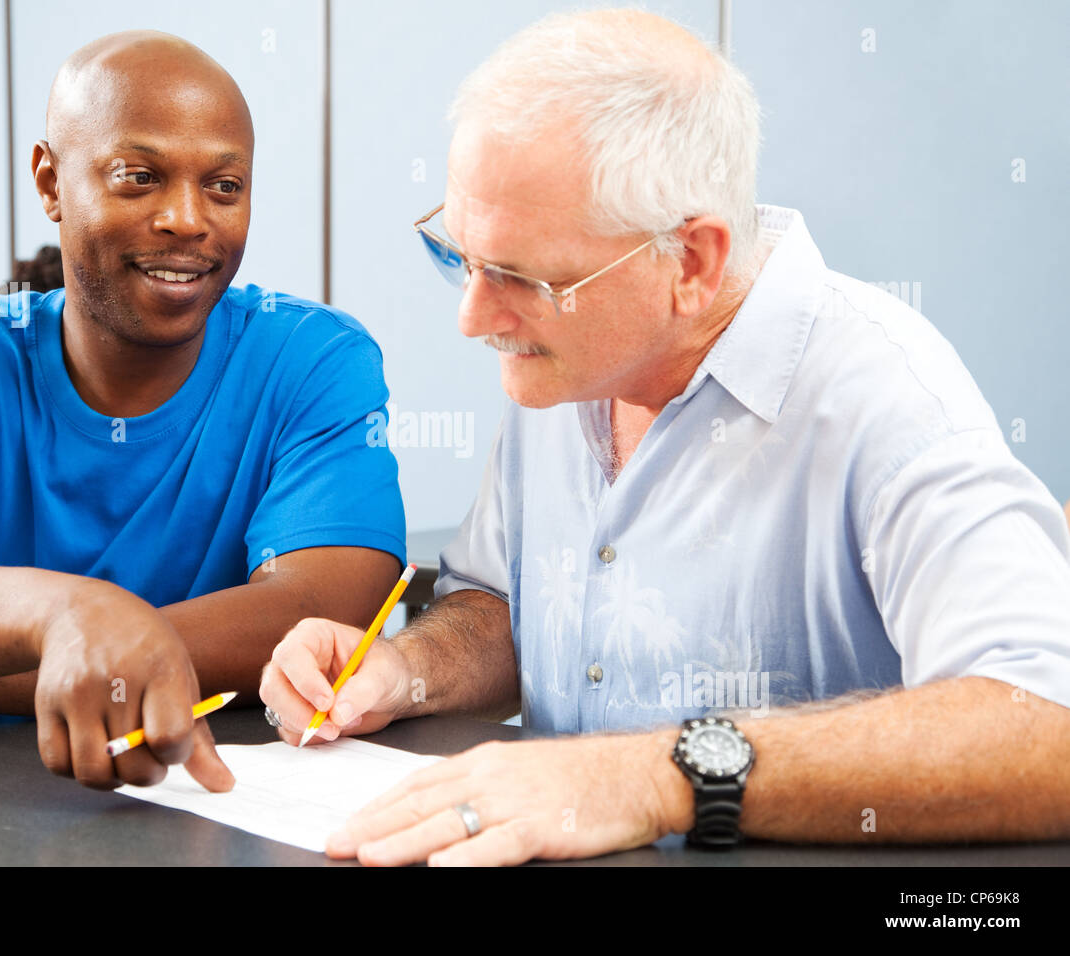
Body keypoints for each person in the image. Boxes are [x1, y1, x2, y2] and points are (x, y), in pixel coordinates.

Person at [260, 9, 1070, 865]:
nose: (473, 317)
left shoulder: (886, 401)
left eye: (523, 278)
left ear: (690, 262)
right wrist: (404, 669)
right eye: (461, 255)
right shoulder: (570, 361)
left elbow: (1045, 721)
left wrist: (651, 777)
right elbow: (502, 609)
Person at [0, 31, 406, 794]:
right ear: (50, 181)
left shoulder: (314, 359)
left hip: (218, 798)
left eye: (224, 186)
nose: (187, 219)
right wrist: (68, 613)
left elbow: (319, 610)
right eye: (139, 177)